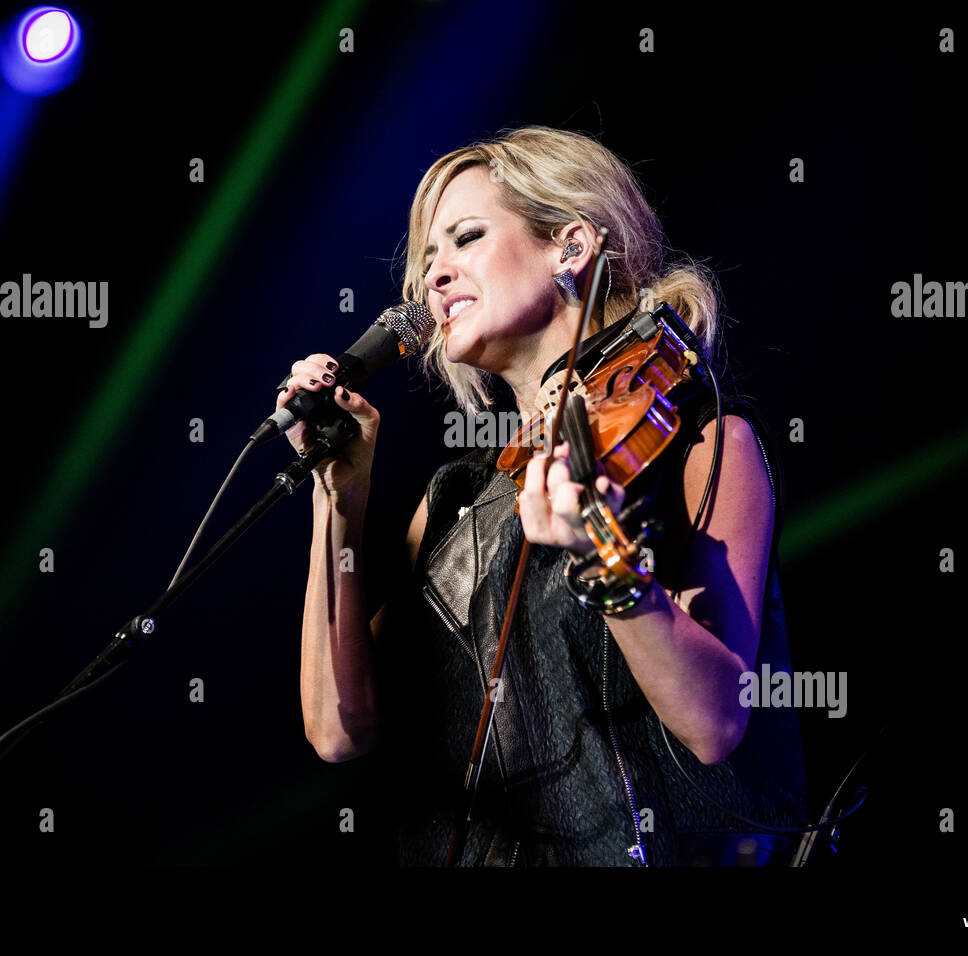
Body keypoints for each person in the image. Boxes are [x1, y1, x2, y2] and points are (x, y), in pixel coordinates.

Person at [282, 127, 808, 866]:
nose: (433, 278)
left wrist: (605, 563)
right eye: (427, 260)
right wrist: (337, 496)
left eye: (465, 238)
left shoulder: (698, 442)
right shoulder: (458, 497)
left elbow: (715, 720)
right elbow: (340, 727)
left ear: (572, 248)